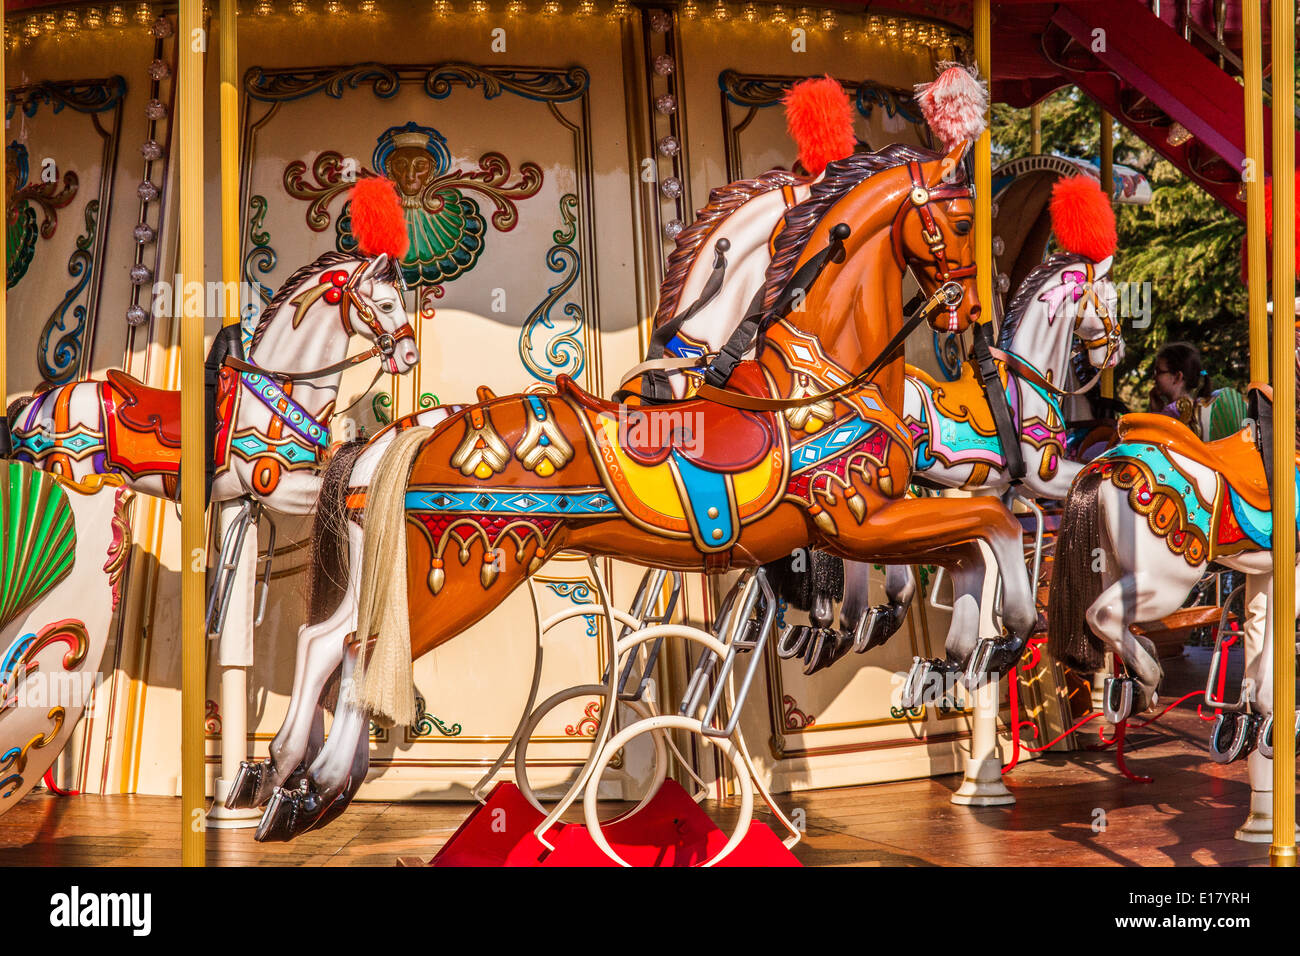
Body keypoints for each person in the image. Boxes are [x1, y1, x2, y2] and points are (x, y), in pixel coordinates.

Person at [1149, 341, 1244, 441]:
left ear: (1177, 377)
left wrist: (1155, 414)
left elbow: (1154, 441)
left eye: (1159, 372)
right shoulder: (1196, 407)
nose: (1154, 377)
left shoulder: (1171, 412)